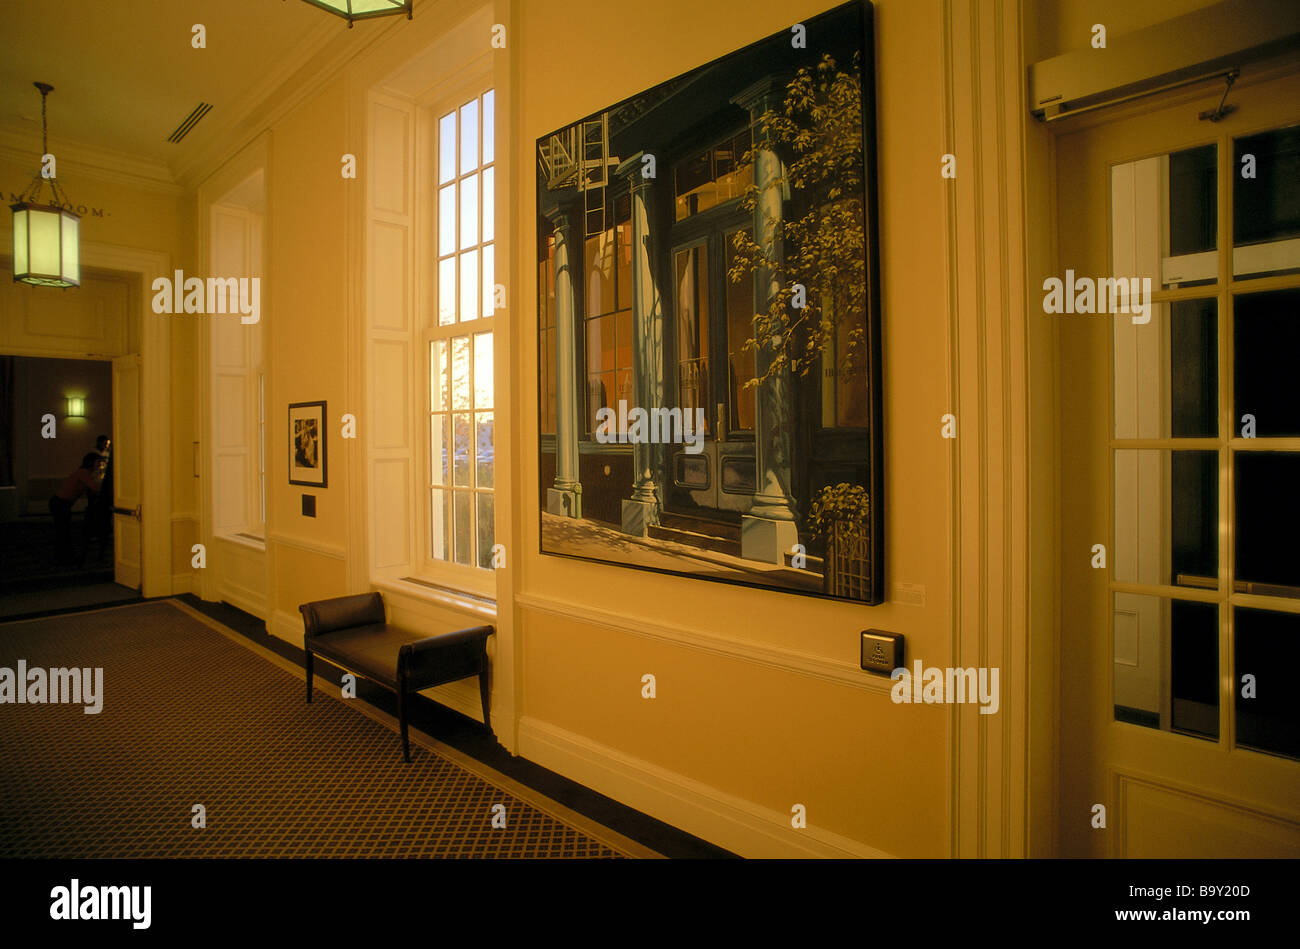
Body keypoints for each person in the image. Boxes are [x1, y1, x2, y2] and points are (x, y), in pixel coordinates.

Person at [50, 453, 103, 567]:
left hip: (62, 503)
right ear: (91, 462)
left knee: (63, 530)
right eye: (98, 462)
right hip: (60, 503)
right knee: (62, 530)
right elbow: (95, 487)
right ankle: (63, 557)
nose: (100, 465)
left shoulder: (85, 473)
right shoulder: (83, 473)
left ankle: (63, 556)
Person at [84, 435, 114, 562]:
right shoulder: (93, 454)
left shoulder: (107, 454)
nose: (106, 446)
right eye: (105, 443)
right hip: (96, 484)